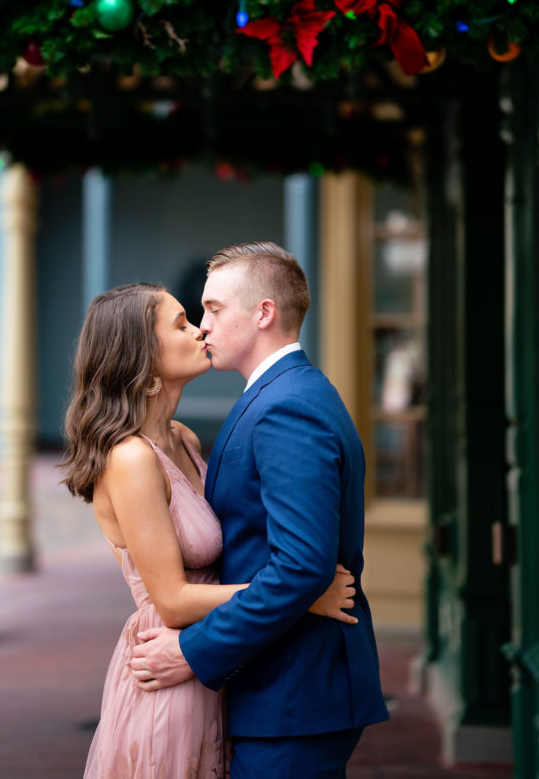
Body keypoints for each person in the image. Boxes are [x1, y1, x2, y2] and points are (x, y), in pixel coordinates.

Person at [61, 281, 358, 779]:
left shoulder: (183, 437)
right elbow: (172, 599)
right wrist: (301, 594)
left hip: (215, 656)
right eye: (180, 324)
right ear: (143, 359)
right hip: (171, 665)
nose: (199, 329)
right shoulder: (131, 459)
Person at [130, 243, 390, 779]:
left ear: (264, 313)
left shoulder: (286, 406)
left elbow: (300, 567)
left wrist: (193, 651)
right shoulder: (280, 394)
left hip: (294, 697)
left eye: (214, 309)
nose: (203, 326)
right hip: (283, 691)